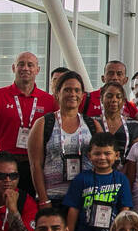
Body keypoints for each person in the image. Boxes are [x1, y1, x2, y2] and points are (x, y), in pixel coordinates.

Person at [0, 51, 54, 200]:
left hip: (35, 166)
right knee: (2, 207)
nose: (25, 68)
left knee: (31, 209)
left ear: (38, 70)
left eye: (30, 65)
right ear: (13, 68)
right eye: (21, 64)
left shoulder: (49, 101)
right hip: (6, 167)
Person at [29, 71, 98, 209]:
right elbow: (35, 165)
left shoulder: (93, 125)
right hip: (53, 198)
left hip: (85, 199)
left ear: (82, 95)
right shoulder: (43, 124)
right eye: (67, 90)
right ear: (57, 93)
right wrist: (44, 200)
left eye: (77, 90)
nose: (72, 94)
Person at [63, 131, 133, 231]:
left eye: (107, 153)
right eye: (97, 153)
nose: (102, 157)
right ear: (89, 155)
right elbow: (73, 209)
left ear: (116, 155)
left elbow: (124, 210)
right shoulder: (81, 179)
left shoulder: (121, 179)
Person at [96, 81, 138, 166]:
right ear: (101, 99)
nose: (114, 100)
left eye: (118, 97)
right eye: (109, 96)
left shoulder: (134, 125)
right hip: (97, 173)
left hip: (124, 173)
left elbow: (135, 157)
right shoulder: (92, 122)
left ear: (124, 101)